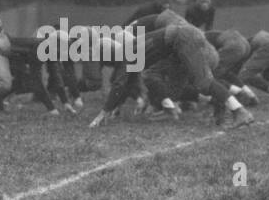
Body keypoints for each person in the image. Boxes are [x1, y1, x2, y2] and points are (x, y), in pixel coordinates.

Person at [90, 24, 253, 128]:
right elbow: (126, 84)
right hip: (178, 45)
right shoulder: (130, 50)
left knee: (204, 82)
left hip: (182, 38)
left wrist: (104, 112)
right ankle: (217, 102)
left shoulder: (126, 53)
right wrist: (113, 107)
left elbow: (119, 84)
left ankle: (239, 111)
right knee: (173, 92)